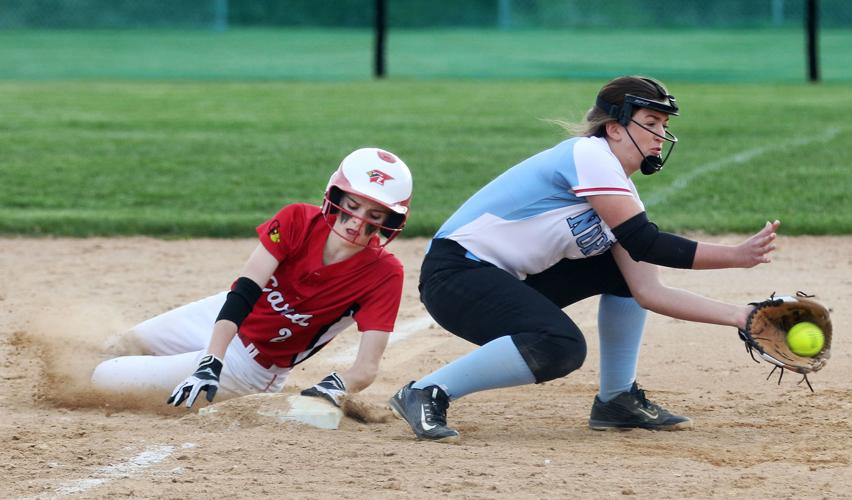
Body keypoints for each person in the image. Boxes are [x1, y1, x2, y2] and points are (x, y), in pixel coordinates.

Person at [387, 76, 780, 442]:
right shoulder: (588, 153)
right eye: (651, 122)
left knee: (621, 276)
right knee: (561, 346)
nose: (662, 134)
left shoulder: (619, 194)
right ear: (614, 127)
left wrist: (740, 316)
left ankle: (617, 400)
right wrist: (736, 255)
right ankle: (426, 390)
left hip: (503, 281)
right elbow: (646, 242)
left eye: (664, 124)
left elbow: (649, 291)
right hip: (455, 276)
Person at [91, 148, 413, 409]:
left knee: (104, 377)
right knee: (120, 344)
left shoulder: (384, 274)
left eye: (374, 216)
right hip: (224, 317)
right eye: (353, 206)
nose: (357, 223)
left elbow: (366, 368)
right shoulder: (297, 220)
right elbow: (243, 292)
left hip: (252, 368)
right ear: (336, 197)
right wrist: (210, 360)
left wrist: (332, 389)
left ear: (389, 222)